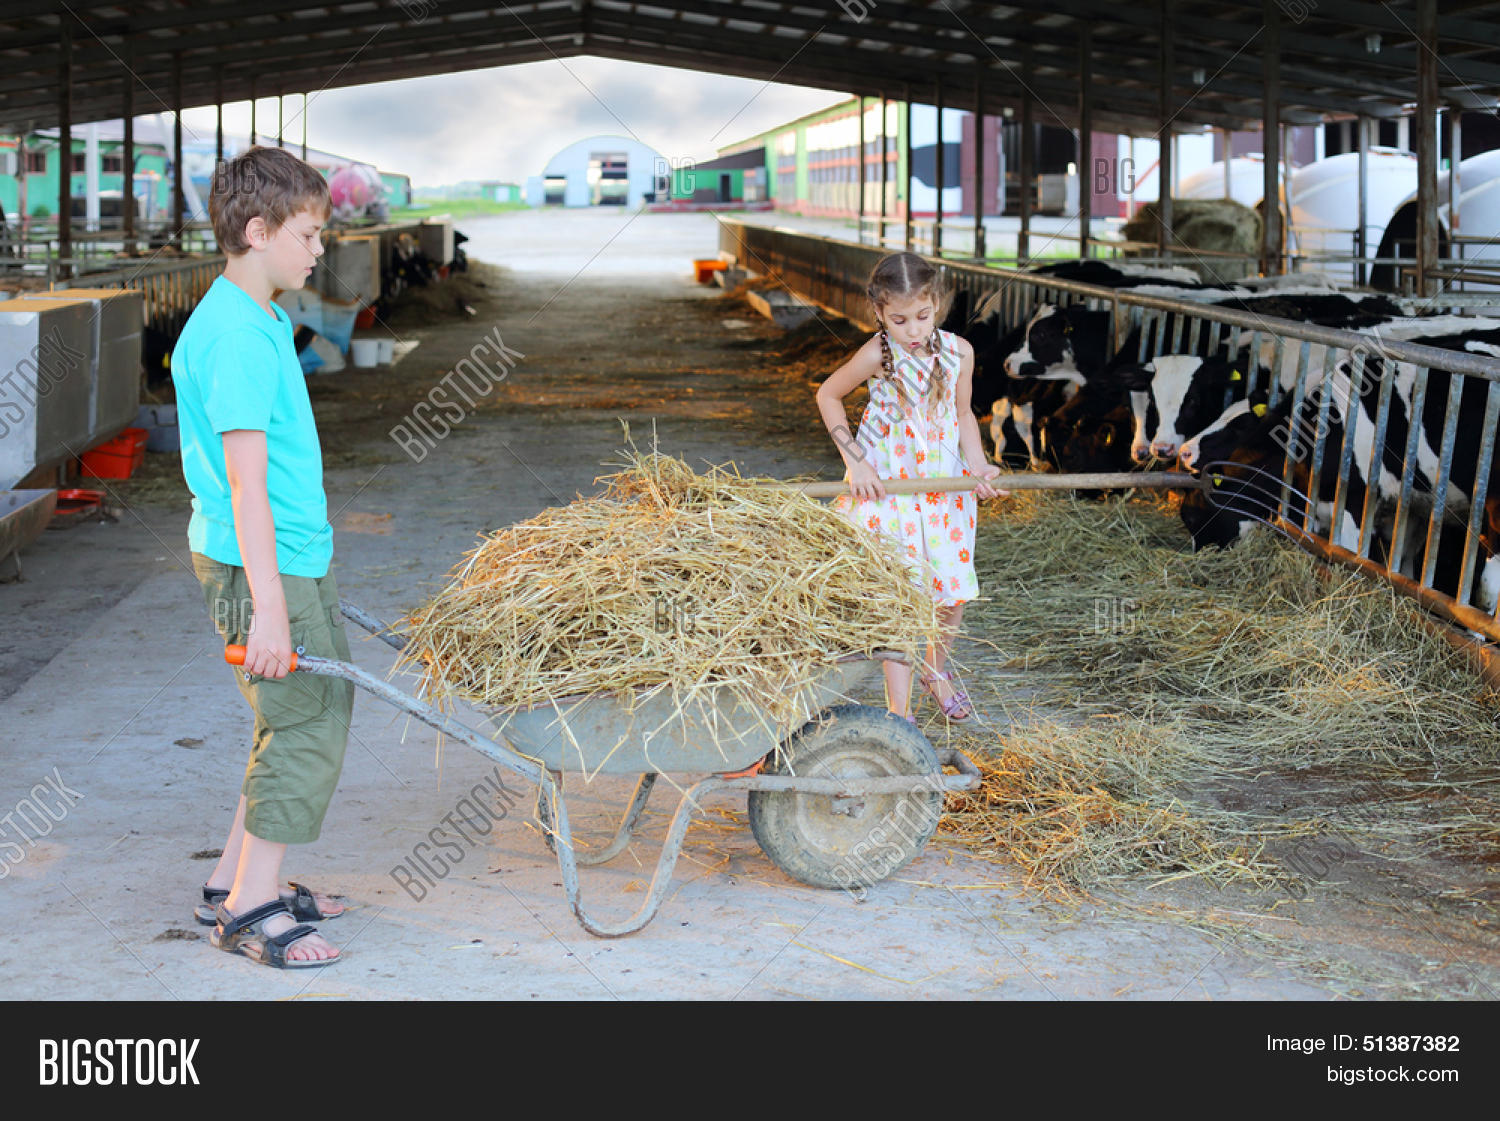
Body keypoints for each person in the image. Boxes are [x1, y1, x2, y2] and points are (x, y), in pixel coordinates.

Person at [172, 146, 352, 969]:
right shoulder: (238, 337)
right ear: (258, 229)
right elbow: (247, 488)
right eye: (310, 234)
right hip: (260, 566)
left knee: (285, 717)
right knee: (308, 720)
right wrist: (273, 606)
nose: (319, 250)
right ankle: (251, 908)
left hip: (279, 557)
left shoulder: (257, 316)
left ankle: (232, 877)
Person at [815, 251, 1003, 724]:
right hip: (888, 486)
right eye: (899, 320)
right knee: (900, 595)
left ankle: (936, 672)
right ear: (879, 313)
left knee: (951, 592)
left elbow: (963, 414)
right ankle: (900, 715)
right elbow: (828, 395)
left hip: (943, 487)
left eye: (922, 317)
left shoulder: (959, 351)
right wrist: (855, 463)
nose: (913, 331)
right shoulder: (877, 353)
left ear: (936, 304)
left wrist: (978, 465)